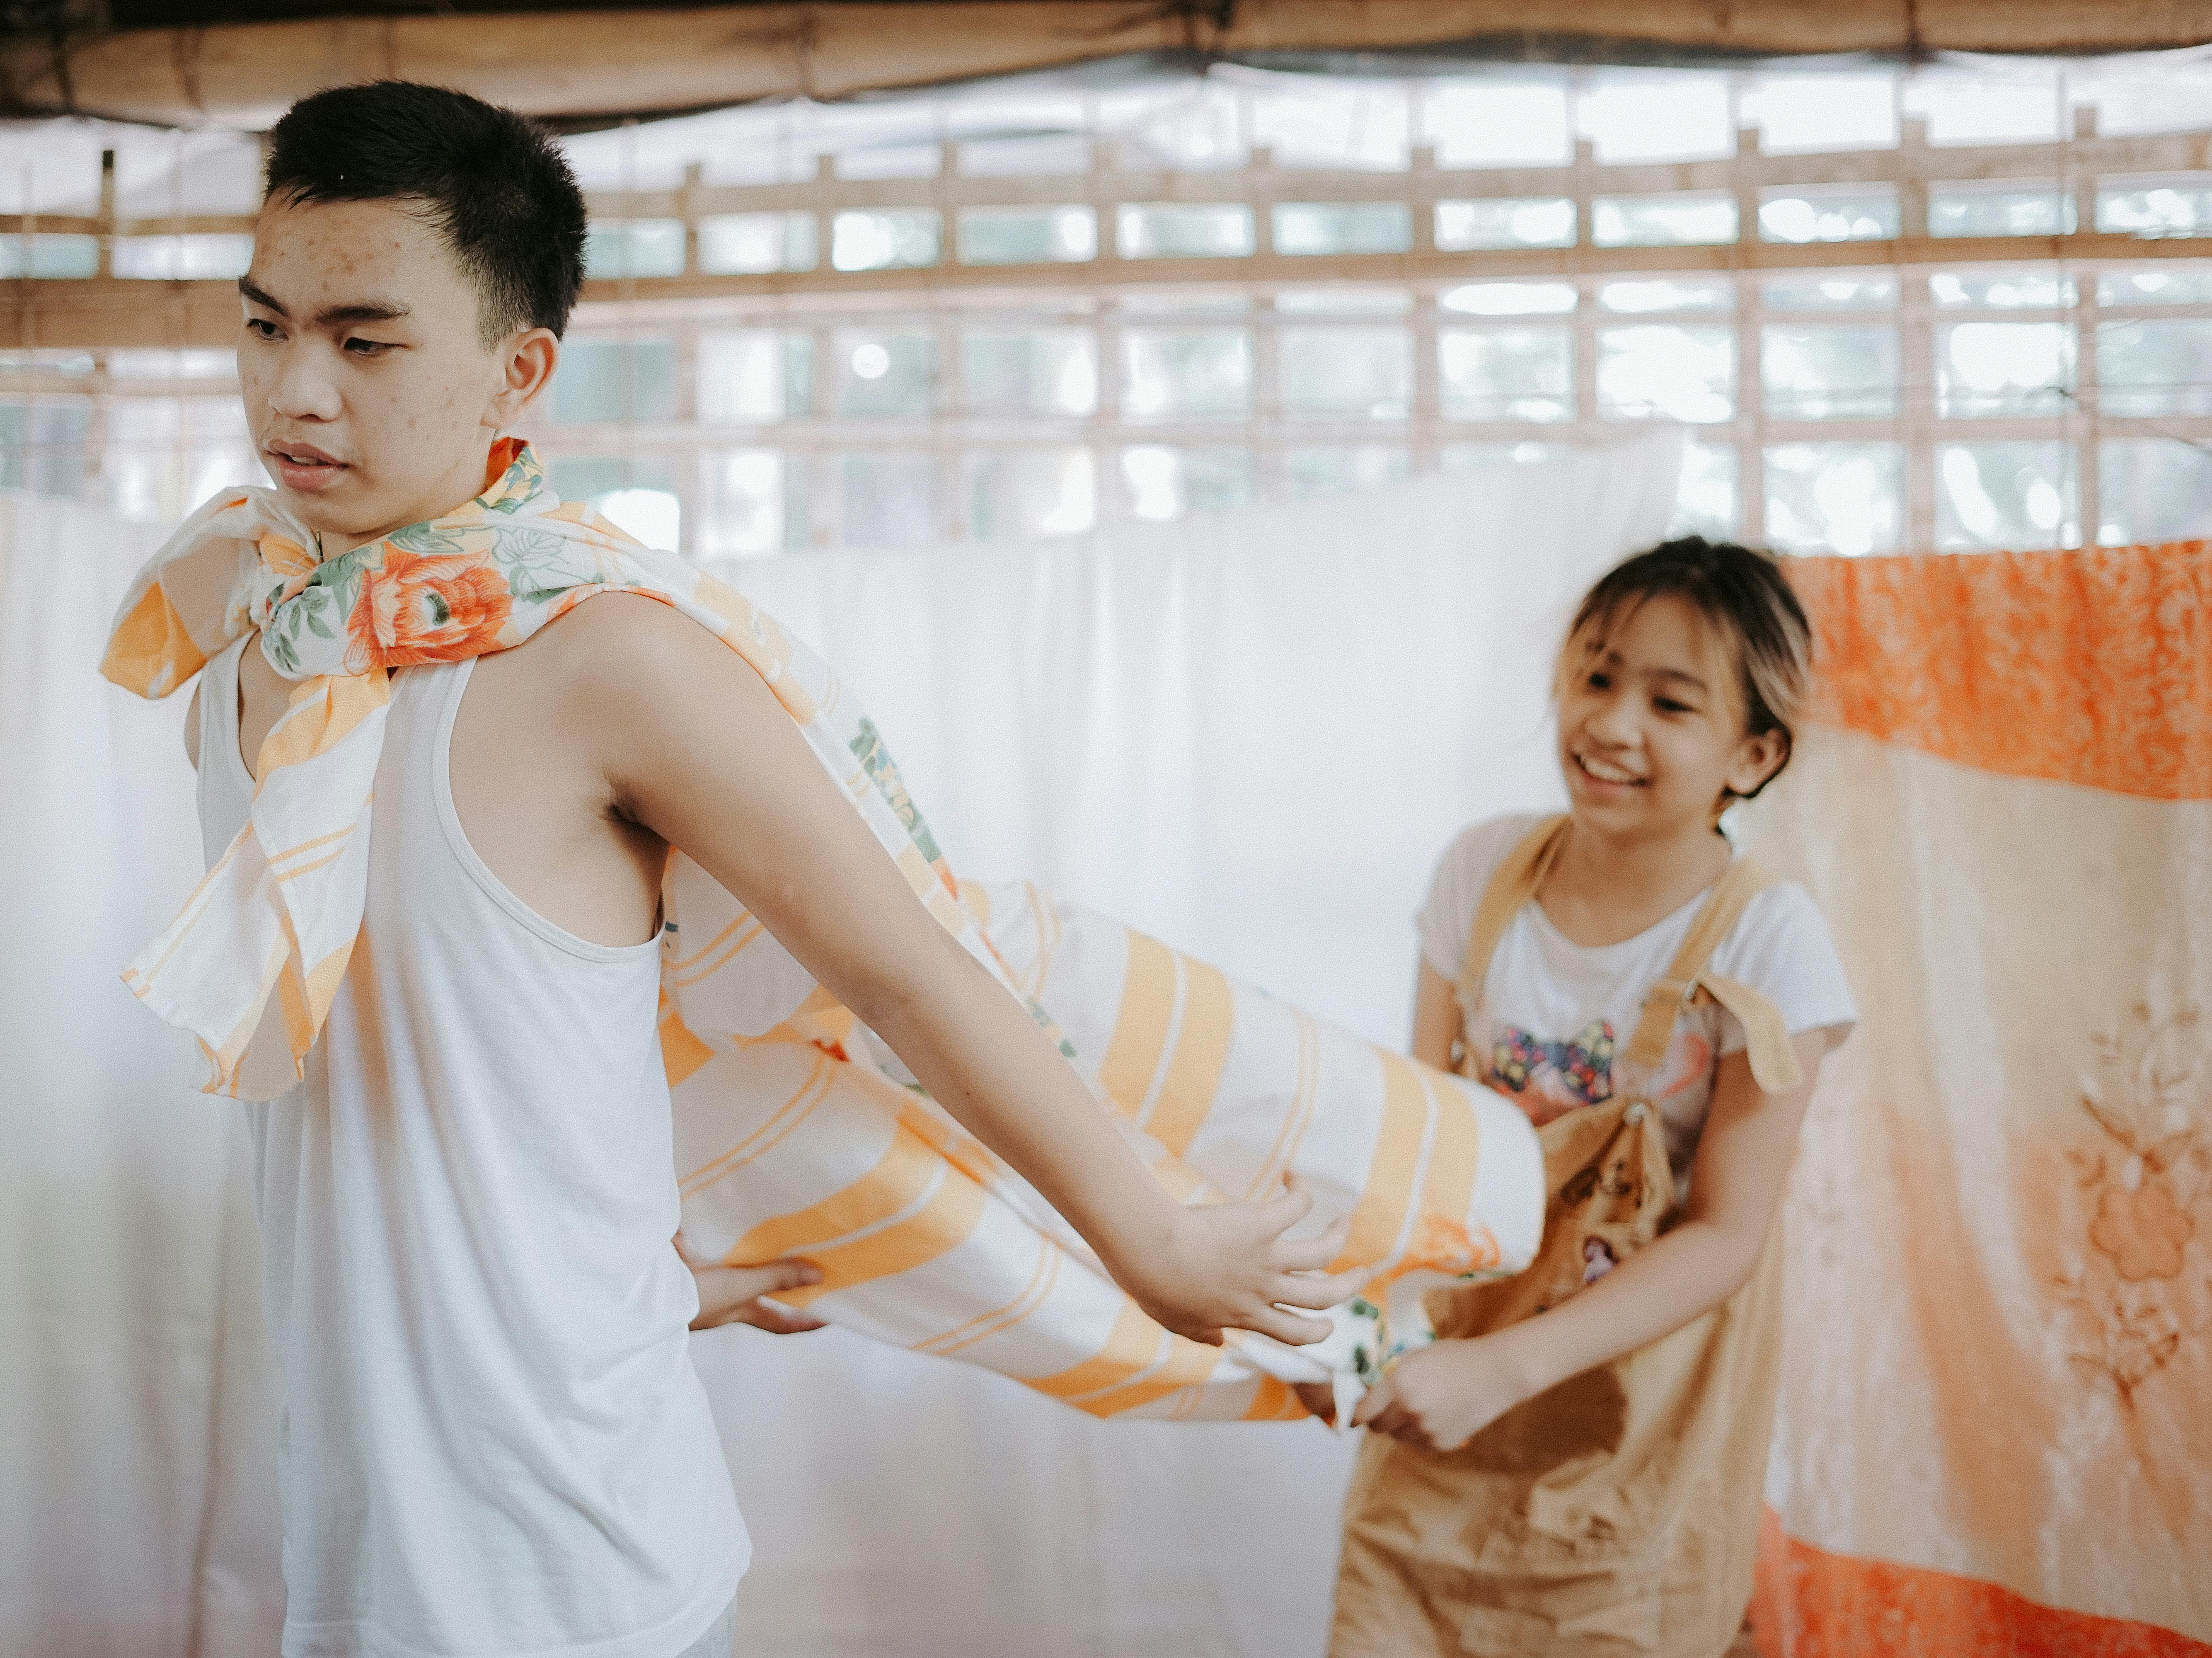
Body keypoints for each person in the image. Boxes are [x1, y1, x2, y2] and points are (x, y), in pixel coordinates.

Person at [106, 82, 1356, 1658]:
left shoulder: (603, 657)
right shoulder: (249, 637)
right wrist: (648, 1277)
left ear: (520, 371)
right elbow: (430, 1073)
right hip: (353, 1548)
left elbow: (901, 963)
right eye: (264, 325)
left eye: (364, 341)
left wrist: (1157, 1243)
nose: (295, 392)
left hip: (575, 1570)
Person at [1329, 539, 1857, 1657]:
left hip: (1635, 1432)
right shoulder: (1481, 875)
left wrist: (1503, 1370)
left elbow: (1727, 1234)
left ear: (1753, 754)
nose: (1611, 725)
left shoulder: (1772, 942)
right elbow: (1423, 1134)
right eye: (1598, 676)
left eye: (1671, 703)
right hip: (1445, 1399)